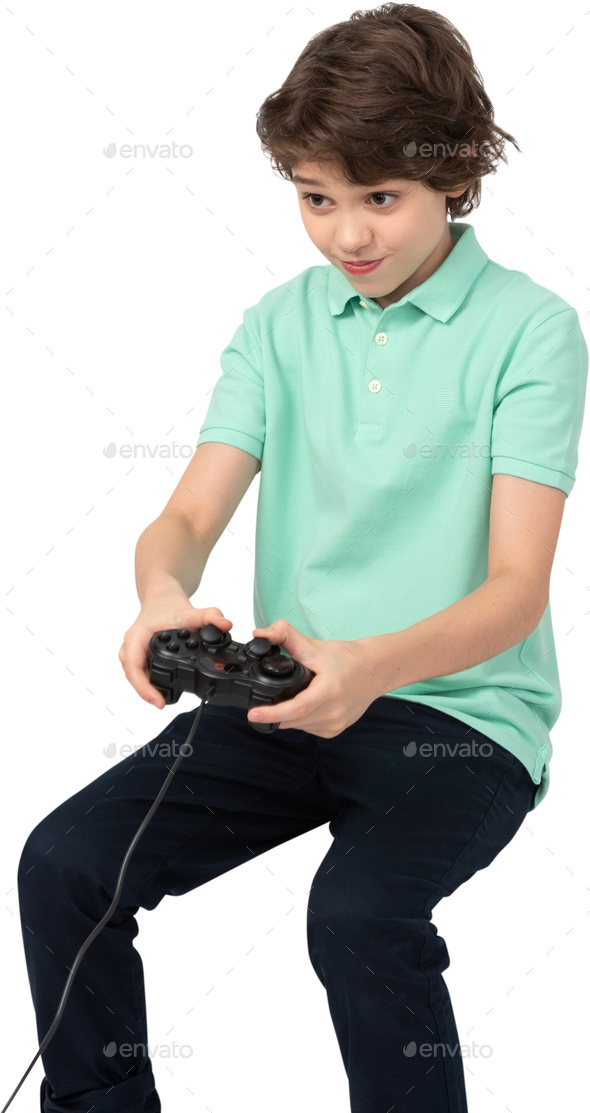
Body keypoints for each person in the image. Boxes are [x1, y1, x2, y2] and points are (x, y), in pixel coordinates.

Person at [17, 4, 587, 1112]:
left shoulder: (531, 331)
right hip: (285, 701)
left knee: (359, 917)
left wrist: (369, 665)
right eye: (316, 199)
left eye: (379, 198)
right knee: (65, 863)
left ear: (454, 176)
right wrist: (161, 596)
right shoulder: (277, 326)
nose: (346, 237)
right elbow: (183, 517)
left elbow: (516, 593)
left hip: (458, 722)